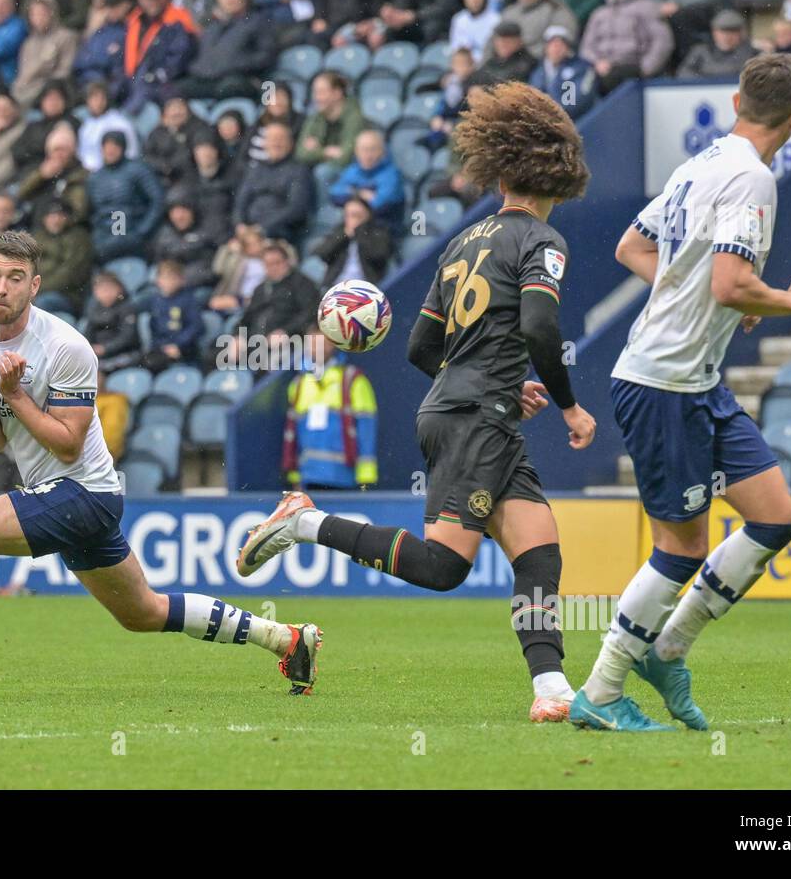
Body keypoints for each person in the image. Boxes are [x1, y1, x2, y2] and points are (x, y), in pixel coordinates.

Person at [0, 231, 323, 699]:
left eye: (15, 278)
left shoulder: (66, 346)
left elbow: (66, 444)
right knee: (143, 612)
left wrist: (13, 395)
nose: (2, 288)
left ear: (34, 285)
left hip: (85, 491)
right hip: (56, 493)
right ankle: (285, 638)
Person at [238, 82, 594, 723]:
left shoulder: (465, 240)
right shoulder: (542, 242)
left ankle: (551, 687)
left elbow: (421, 346)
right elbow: (541, 330)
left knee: (539, 548)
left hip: (467, 410)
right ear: (557, 167)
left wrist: (498, 385)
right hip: (475, 419)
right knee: (443, 567)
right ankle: (305, 522)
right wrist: (568, 406)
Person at [574, 54, 791, 732]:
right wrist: (790, 302)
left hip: (697, 383)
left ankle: (668, 650)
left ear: (736, 99)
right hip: (662, 381)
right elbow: (729, 285)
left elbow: (633, 246)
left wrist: (717, 293)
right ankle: (600, 690)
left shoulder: (702, 162)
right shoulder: (753, 178)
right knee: (682, 548)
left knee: (775, 518)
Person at [282, 326, 378, 490]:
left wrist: (365, 475)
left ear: (333, 345)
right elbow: (292, 433)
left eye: (323, 343)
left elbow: (366, 428)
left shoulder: (352, 379)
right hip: (308, 477)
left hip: (345, 478)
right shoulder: (298, 384)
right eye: (312, 343)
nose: (317, 348)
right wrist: (294, 474)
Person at [580, 0, 674, 95]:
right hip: (603, 69)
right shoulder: (599, 14)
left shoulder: (647, 7)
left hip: (633, 68)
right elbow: (586, 47)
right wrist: (597, 62)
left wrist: (646, 68)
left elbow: (663, 41)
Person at [88, 131, 165, 261]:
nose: (110, 151)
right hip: (104, 236)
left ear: (123, 148)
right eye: (107, 146)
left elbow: (158, 200)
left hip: (132, 232)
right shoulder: (95, 178)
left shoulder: (138, 170)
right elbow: (92, 210)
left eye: (115, 146)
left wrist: (142, 230)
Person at [234, 121, 315, 245]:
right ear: (264, 143)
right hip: (249, 235)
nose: (276, 143)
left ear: (291, 143)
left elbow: (296, 209)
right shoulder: (255, 169)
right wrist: (240, 224)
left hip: (278, 235)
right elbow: (241, 202)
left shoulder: (299, 171)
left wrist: (261, 228)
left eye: (281, 139)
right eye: (272, 139)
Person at [327, 128, 405, 236]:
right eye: (363, 149)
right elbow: (335, 193)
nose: (367, 155)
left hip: (382, 231)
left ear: (382, 151)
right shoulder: (352, 170)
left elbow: (380, 204)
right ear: (356, 151)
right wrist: (361, 194)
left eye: (372, 149)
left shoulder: (391, 174)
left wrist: (352, 193)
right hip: (352, 229)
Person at [312, 195, 392, 287]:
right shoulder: (339, 231)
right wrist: (344, 235)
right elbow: (323, 254)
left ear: (367, 215)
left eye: (356, 215)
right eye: (348, 215)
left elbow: (378, 256)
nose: (352, 219)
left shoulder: (378, 232)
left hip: (366, 288)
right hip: (337, 286)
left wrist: (360, 232)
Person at [528, 25, 598, 120]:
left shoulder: (581, 68)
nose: (556, 48)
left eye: (561, 44)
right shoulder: (538, 73)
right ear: (546, 47)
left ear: (567, 47)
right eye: (552, 44)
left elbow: (575, 101)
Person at [676, 9, 759, 79]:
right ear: (714, 32)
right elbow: (683, 72)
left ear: (741, 34)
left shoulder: (751, 53)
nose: (728, 37)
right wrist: (707, 83)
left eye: (733, 32)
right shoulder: (701, 51)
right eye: (723, 31)